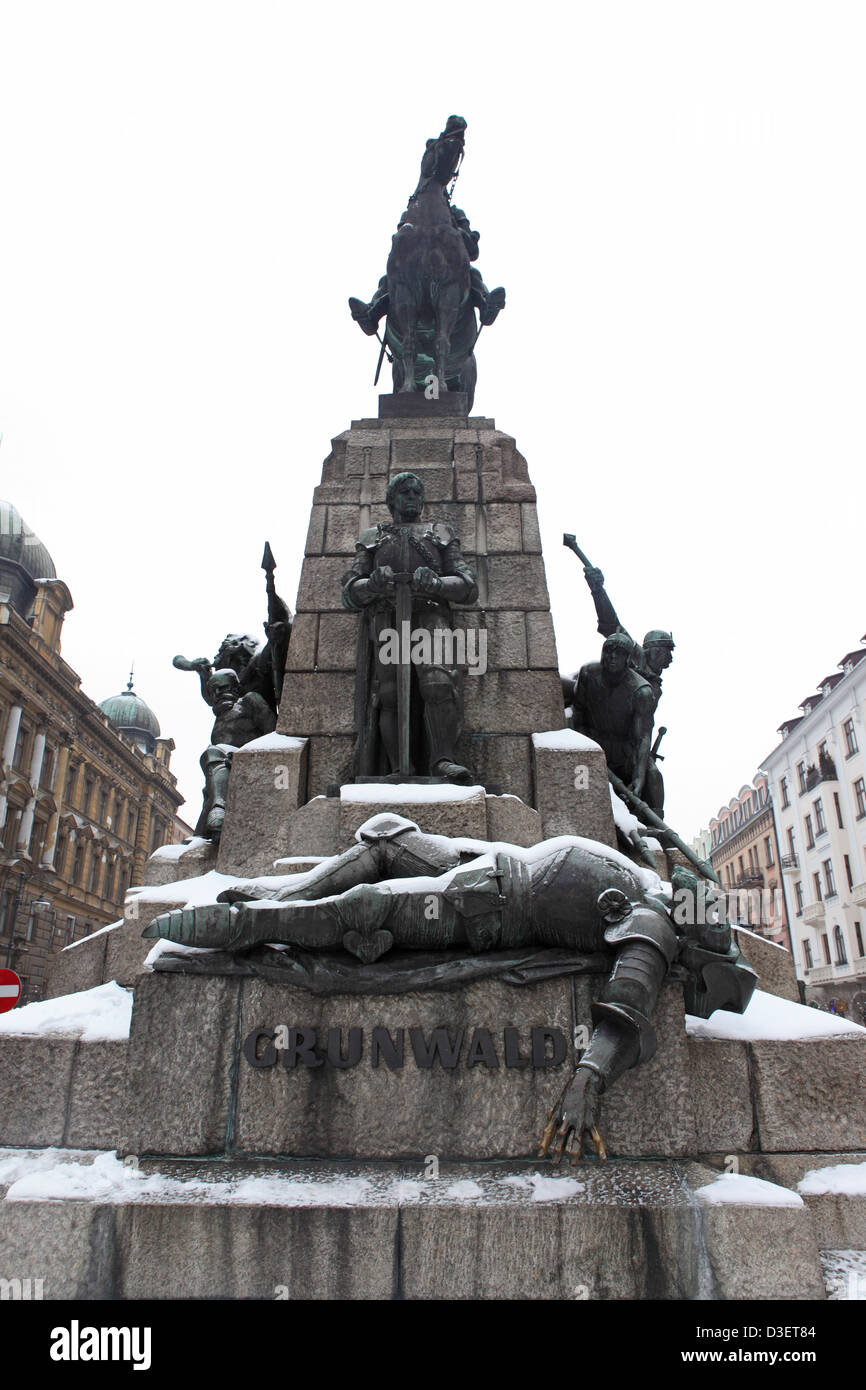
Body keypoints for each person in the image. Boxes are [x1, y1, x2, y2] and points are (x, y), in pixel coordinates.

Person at [144, 812, 757, 1160]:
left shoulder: (653, 924)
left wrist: (589, 1078)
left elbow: (629, 1004)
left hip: (482, 904)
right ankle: (284, 896)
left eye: (712, 922)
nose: (706, 909)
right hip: (492, 860)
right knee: (384, 833)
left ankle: (250, 926)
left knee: (364, 910)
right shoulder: (655, 885)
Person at [342, 471, 477, 782]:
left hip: (430, 613)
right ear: (391, 500)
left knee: (437, 683)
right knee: (390, 694)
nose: (412, 498)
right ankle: (396, 766)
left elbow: (468, 586)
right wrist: (371, 584)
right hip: (387, 617)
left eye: (417, 493)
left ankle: (442, 759)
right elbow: (349, 591)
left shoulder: (439, 533)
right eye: (405, 493)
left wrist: (438, 583)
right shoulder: (372, 537)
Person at [192, 669, 276, 841]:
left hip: (251, 762)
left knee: (213, 752)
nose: (218, 694)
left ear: (236, 688)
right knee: (212, 760)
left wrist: (247, 756)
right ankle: (209, 826)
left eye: (222, 688)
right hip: (222, 768)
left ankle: (219, 809)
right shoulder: (221, 717)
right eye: (214, 691)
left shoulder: (251, 701)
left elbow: (272, 733)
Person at [572, 633, 656, 800]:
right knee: (579, 786)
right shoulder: (588, 674)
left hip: (624, 751)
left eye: (619, 653)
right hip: (592, 742)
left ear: (628, 658)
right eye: (609, 651)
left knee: (654, 777)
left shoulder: (641, 691)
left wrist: (639, 779)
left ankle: (654, 822)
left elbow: (643, 738)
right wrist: (585, 747)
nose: (612, 656)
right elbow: (578, 711)